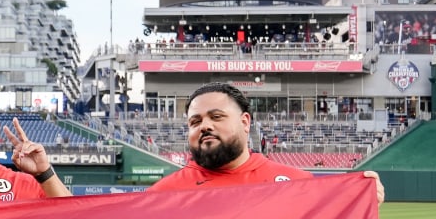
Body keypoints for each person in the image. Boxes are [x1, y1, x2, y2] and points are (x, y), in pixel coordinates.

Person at [148, 83, 386, 203]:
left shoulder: (297, 185)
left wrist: (361, 201)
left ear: (245, 122)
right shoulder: (160, 196)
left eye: (216, 116)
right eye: (195, 121)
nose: (205, 126)